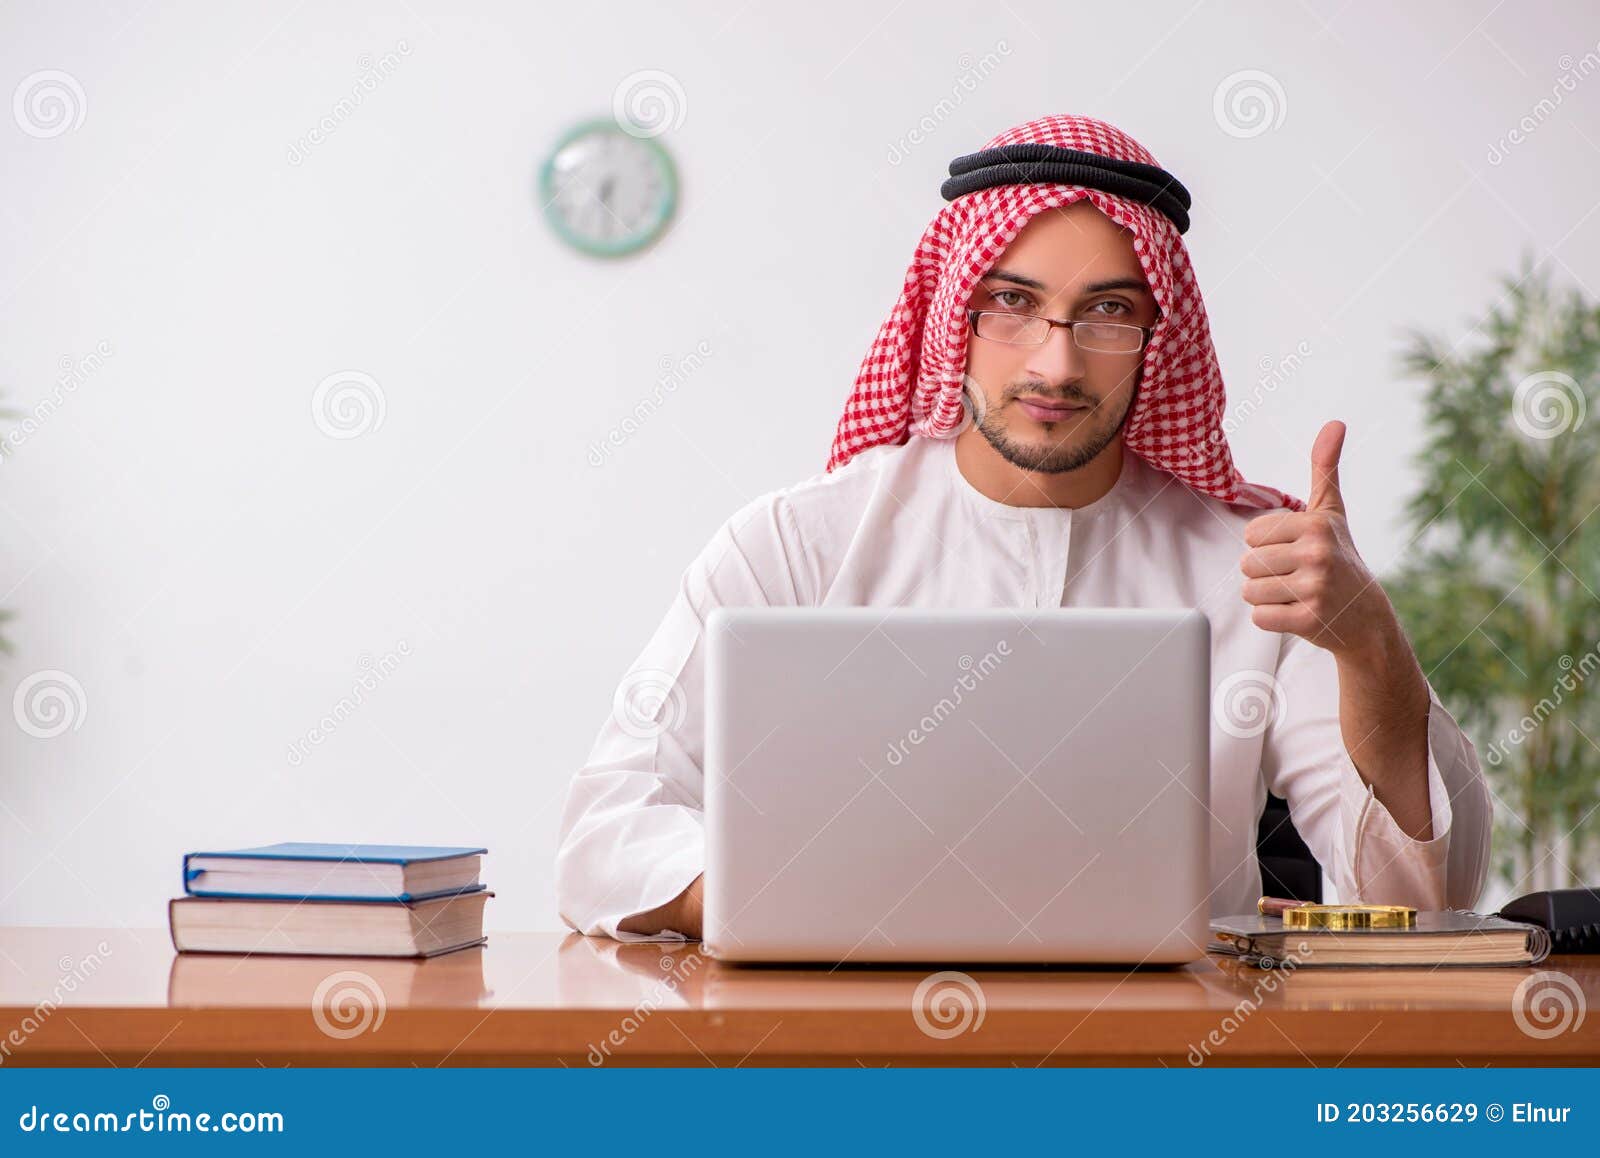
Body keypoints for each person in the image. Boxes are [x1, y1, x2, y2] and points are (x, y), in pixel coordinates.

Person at [554, 113, 1492, 943]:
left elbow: (1420, 902)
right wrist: (781, 903)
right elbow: (606, 830)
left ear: (1157, 337)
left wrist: (1371, 644)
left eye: (1109, 312)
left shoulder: (1259, 566)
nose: (1058, 359)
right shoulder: (796, 546)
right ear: (954, 311)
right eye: (1013, 302)